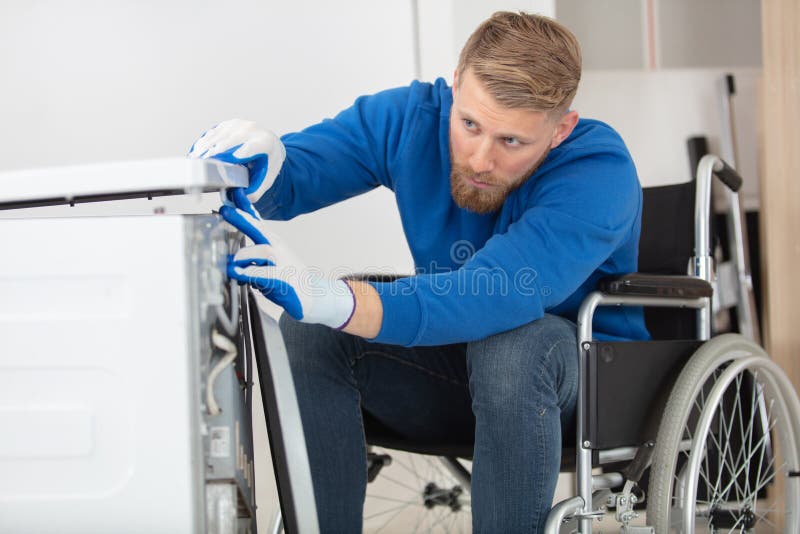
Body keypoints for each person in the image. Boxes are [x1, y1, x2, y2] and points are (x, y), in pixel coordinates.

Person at [189, 11, 649, 533]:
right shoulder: (413, 117)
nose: (479, 159)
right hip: (465, 375)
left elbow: (496, 292)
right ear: (455, 87)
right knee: (313, 330)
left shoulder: (599, 170)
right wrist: (263, 167)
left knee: (516, 343)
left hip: (584, 384)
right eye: (469, 124)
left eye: (511, 142)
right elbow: (301, 174)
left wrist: (339, 299)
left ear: (560, 129)